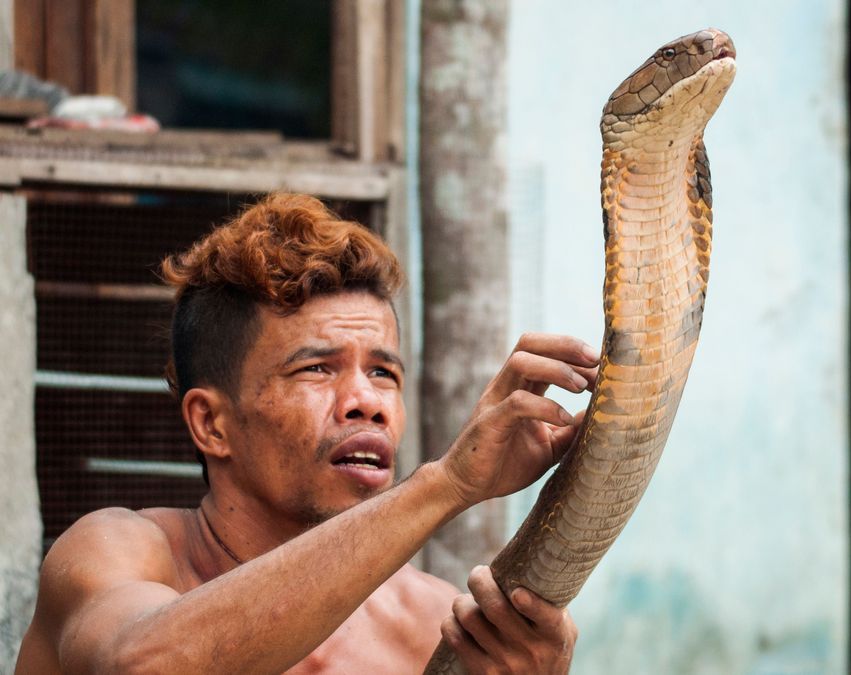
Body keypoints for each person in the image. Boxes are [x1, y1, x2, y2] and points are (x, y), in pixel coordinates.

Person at [15, 193, 595, 673]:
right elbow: (141, 668)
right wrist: (446, 484)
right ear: (211, 423)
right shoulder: (121, 552)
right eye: (316, 369)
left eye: (382, 372)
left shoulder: (435, 627)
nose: (366, 402)